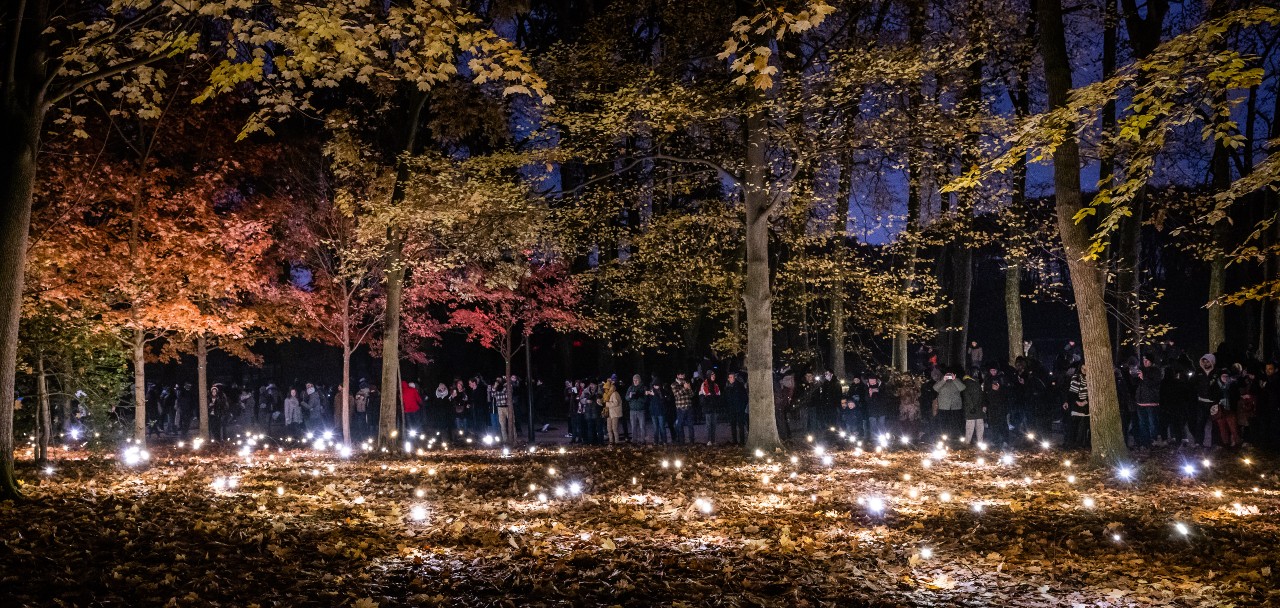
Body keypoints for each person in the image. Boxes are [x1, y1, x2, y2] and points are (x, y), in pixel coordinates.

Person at [1192, 354, 1220, 447]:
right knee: (1200, 422)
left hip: (1213, 402)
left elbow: (1220, 386)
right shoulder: (1199, 372)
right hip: (1202, 401)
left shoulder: (1216, 372)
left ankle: (1215, 443)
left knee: (1215, 423)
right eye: (1204, 361)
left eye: (1207, 361)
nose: (1205, 363)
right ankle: (1198, 442)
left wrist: (1216, 396)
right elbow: (1193, 384)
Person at [1134, 356, 1162, 448]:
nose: (1145, 362)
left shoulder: (1156, 371)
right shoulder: (1141, 370)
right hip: (1140, 402)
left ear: (1151, 361)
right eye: (1144, 360)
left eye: (1147, 360)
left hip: (1151, 402)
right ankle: (1144, 443)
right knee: (1142, 423)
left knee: (1152, 423)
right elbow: (1136, 384)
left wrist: (1143, 378)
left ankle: (1153, 441)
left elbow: (1154, 384)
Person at [932, 369, 966, 440]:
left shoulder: (957, 380)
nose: (949, 376)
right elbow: (935, 388)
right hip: (944, 407)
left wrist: (955, 379)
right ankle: (944, 437)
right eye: (948, 375)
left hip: (955, 407)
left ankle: (955, 438)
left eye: (950, 375)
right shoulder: (941, 381)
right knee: (944, 424)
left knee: (955, 423)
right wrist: (943, 380)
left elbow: (962, 388)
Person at [1063, 366, 1090, 449]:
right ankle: (1072, 443)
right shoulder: (1075, 377)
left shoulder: (1090, 378)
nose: (1084, 371)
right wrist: (1075, 401)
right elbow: (1071, 391)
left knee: (1084, 426)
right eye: (1082, 369)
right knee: (1074, 425)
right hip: (1075, 404)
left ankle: (1082, 444)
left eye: (1086, 369)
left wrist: (1085, 401)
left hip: (1086, 405)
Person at [699, 371, 724, 445]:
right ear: (708, 376)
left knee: (714, 425)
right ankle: (708, 440)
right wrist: (707, 401)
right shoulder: (704, 384)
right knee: (708, 425)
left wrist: (717, 402)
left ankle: (713, 440)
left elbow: (719, 395)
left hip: (714, 408)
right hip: (708, 408)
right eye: (712, 375)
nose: (713, 376)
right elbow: (701, 396)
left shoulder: (716, 385)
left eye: (714, 375)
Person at [724, 372, 748, 445]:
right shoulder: (727, 387)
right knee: (733, 425)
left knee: (740, 425)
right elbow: (726, 399)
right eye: (730, 377)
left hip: (739, 409)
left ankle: (742, 441)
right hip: (732, 410)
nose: (731, 379)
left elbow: (745, 397)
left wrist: (742, 407)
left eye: (732, 377)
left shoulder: (739, 386)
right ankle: (735, 441)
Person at [961, 371, 985, 445]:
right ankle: (976, 443)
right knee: (975, 427)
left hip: (974, 409)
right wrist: (972, 407)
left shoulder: (974, 383)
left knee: (973, 427)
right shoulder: (970, 383)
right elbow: (967, 396)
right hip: (974, 409)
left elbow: (980, 396)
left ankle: (969, 443)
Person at [672, 374, 694, 444]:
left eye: (683, 375)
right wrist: (684, 388)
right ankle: (682, 441)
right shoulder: (674, 384)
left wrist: (689, 388)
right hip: (680, 408)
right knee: (680, 425)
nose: (682, 377)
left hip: (689, 407)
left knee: (690, 425)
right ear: (677, 376)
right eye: (681, 375)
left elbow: (691, 395)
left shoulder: (686, 383)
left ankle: (692, 441)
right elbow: (677, 395)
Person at [625, 375, 648, 444]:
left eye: (636, 380)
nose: (635, 381)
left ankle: (643, 440)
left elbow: (645, 400)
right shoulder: (630, 388)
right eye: (634, 380)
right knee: (633, 426)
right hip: (632, 410)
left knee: (642, 426)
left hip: (641, 410)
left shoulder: (643, 388)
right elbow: (626, 398)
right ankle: (634, 440)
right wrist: (630, 396)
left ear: (639, 380)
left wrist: (638, 396)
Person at [494, 378, 517, 444]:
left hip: (507, 407)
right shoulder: (496, 388)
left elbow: (508, 393)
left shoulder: (506, 387)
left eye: (499, 380)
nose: (497, 382)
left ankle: (514, 440)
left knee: (512, 423)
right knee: (502, 424)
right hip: (500, 408)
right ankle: (505, 440)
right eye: (497, 381)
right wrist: (495, 387)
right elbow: (493, 395)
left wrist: (504, 385)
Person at [602, 379, 623, 444]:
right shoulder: (607, 394)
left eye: (606, 388)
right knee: (609, 428)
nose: (605, 390)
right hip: (609, 413)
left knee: (614, 428)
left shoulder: (615, 393)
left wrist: (607, 404)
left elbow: (616, 403)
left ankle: (616, 441)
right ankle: (611, 441)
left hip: (615, 413)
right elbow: (604, 401)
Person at [648, 378, 668, 444]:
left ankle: (664, 441)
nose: (656, 387)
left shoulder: (662, 391)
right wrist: (647, 394)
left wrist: (655, 395)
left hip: (661, 412)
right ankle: (656, 441)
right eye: (654, 385)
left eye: (657, 385)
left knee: (662, 427)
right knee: (655, 428)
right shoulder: (651, 391)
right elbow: (649, 401)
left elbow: (662, 401)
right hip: (653, 412)